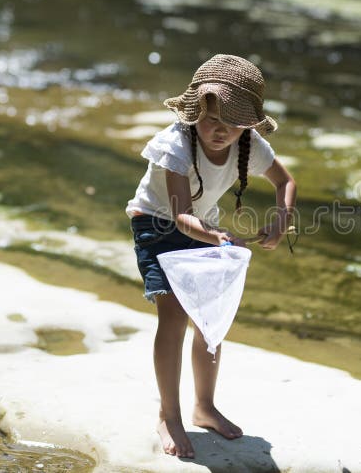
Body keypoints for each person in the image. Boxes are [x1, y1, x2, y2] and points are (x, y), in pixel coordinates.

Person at [125, 54, 297, 459]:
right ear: (195, 110)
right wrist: (220, 237)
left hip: (202, 224)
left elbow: (285, 182)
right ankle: (169, 414)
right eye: (211, 120)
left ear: (248, 124)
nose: (221, 131)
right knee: (175, 316)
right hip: (158, 224)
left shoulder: (249, 144)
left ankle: (204, 407)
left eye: (233, 123)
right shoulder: (175, 146)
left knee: (210, 318)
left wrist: (282, 218)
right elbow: (181, 215)